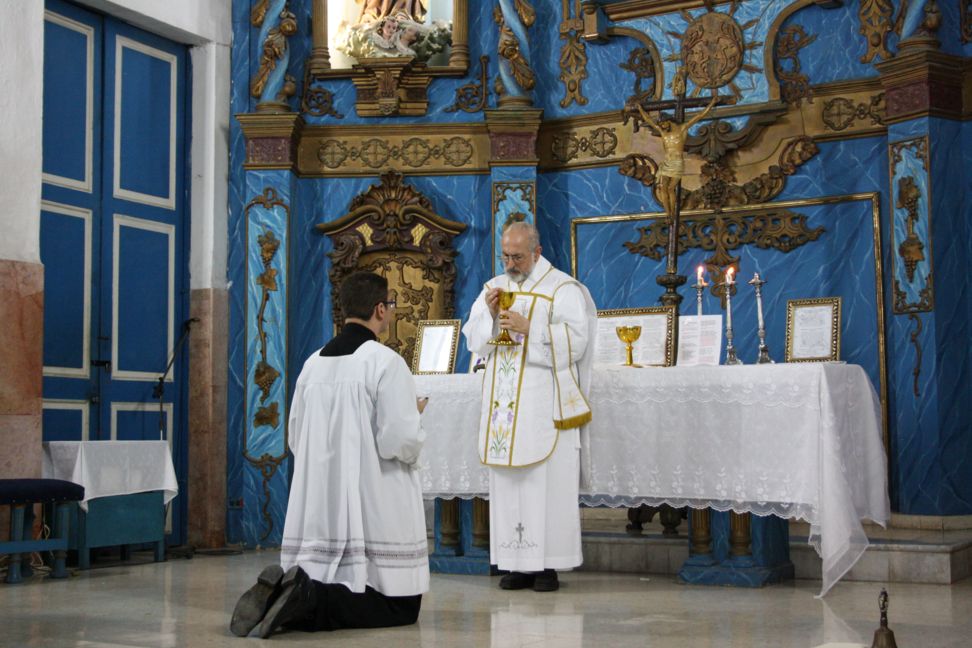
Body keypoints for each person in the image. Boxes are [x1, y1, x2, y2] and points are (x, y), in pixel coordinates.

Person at [230, 271, 430, 638]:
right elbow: (397, 441)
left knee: (336, 575)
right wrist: (414, 415)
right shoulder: (385, 363)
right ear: (380, 309)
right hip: (373, 499)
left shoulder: (313, 363)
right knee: (402, 606)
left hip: (320, 502)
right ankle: (308, 602)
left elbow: (295, 436)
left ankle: (288, 591)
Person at [462, 221, 597, 592]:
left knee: (544, 484)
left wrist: (530, 328)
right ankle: (515, 563)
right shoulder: (494, 288)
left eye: (517, 256)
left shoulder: (563, 289)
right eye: (505, 255)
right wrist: (491, 319)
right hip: (504, 410)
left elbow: (578, 343)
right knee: (509, 484)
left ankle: (547, 566)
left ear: (536, 252)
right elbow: (474, 341)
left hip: (542, 407)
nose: (510, 263)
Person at [633, 71, 718, 218]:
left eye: (664, 124)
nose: (662, 126)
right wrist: (640, 109)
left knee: (671, 188)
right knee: (663, 188)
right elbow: (649, 121)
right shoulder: (663, 132)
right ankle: (668, 214)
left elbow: (699, 116)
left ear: (669, 122)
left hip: (677, 162)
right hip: (667, 162)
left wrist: (711, 104)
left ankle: (673, 214)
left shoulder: (681, 129)